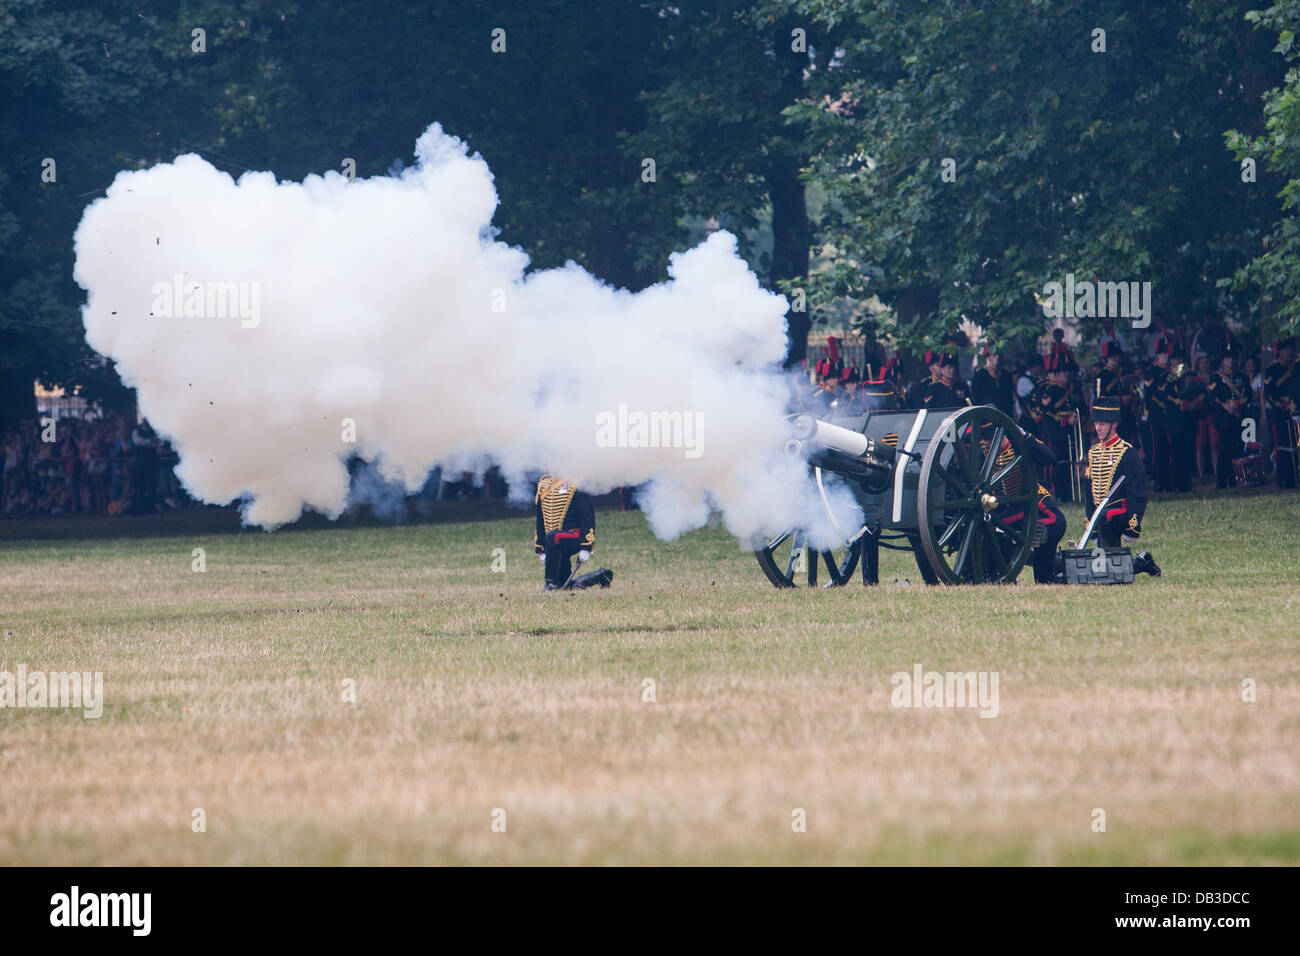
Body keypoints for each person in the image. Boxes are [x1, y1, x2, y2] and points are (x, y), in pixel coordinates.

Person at [1085, 398, 1160, 575]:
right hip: (1101, 515)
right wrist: (1091, 525)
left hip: (1121, 512)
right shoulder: (1093, 453)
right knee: (1107, 568)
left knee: (1105, 516)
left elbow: (1137, 493)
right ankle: (1140, 562)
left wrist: (1133, 525)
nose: (1098, 428)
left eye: (1102, 424)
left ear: (1114, 424)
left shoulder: (1128, 452)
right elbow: (1089, 493)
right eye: (1096, 423)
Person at [534, 474, 612, 591]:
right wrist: (540, 549)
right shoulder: (544, 485)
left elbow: (587, 518)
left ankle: (550, 584)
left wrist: (586, 546)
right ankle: (602, 575)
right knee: (565, 585)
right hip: (553, 544)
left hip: (574, 537)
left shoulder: (578, 482)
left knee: (553, 536)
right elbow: (540, 520)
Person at [1206, 347, 1250, 489]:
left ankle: (1234, 479)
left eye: (1232, 358)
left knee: (1236, 448)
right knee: (1224, 449)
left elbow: (1248, 395)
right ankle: (1221, 481)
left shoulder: (1242, 377)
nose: (1230, 361)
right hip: (1223, 419)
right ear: (1222, 360)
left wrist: (1239, 405)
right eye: (1227, 358)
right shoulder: (1216, 377)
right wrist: (1226, 407)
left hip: (1238, 416)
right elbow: (1213, 398)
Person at [1263, 337, 1298, 488]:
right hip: (1278, 413)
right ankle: (1283, 479)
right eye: (1286, 350)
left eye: (1291, 349)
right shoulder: (1272, 370)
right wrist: (1280, 405)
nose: (1289, 353)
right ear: (1280, 352)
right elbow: (1269, 393)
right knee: (1281, 445)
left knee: (1295, 445)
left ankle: (1295, 477)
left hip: (1296, 411)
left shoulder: (1297, 368)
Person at [971, 342, 1015, 417]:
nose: (997, 357)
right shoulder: (980, 375)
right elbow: (975, 399)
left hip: (1004, 416)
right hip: (986, 417)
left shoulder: (1006, 375)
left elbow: (1010, 399)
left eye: (999, 354)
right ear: (988, 357)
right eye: (994, 354)